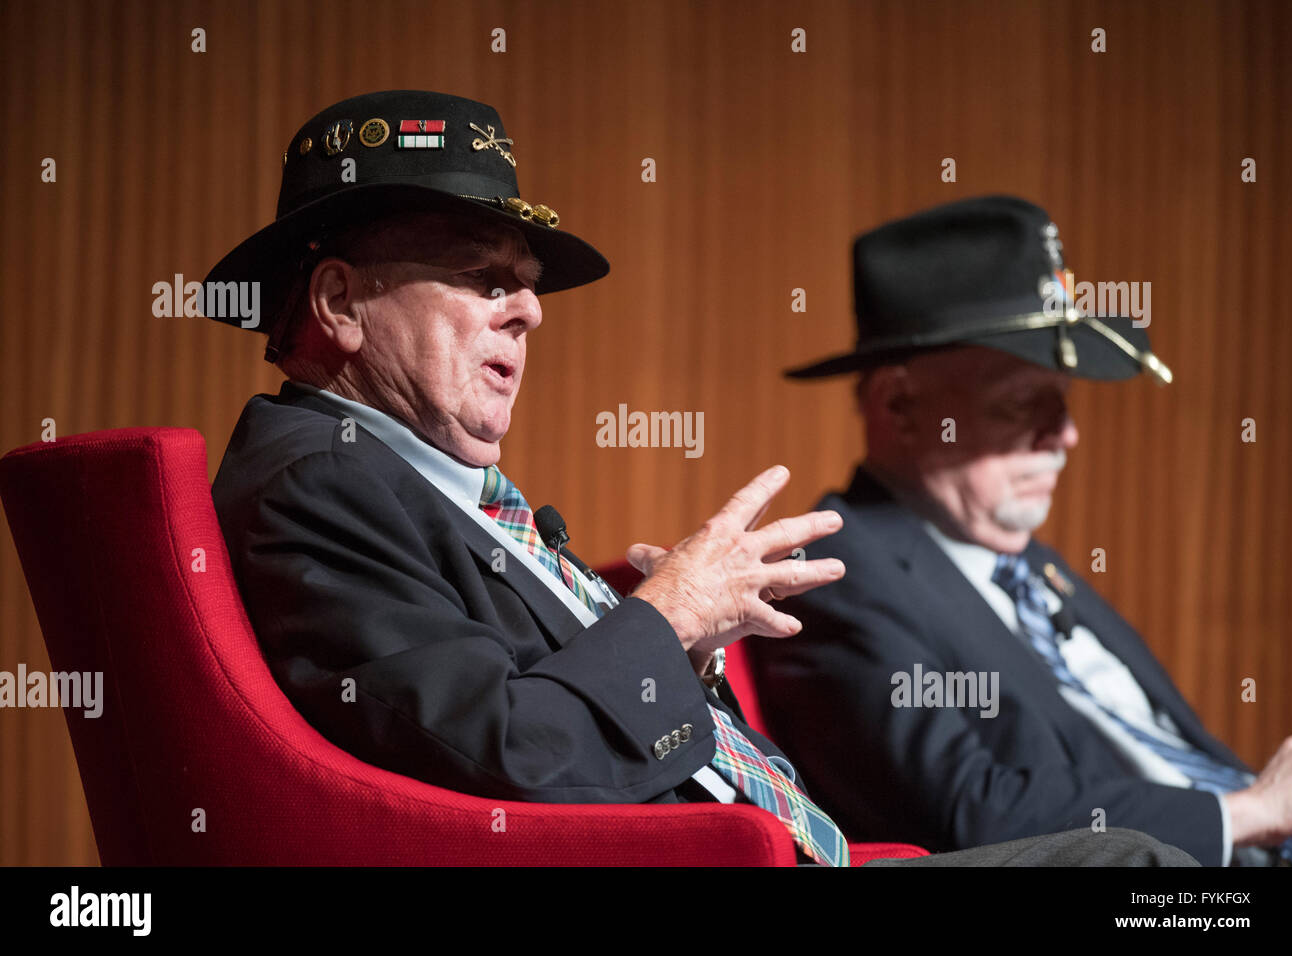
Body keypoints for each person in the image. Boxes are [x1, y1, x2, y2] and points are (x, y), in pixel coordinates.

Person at [204, 94, 1192, 866]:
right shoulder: (320, 486)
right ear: (339, 301)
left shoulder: (410, 480)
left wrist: (687, 642)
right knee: (1144, 873)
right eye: (483, 277)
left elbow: (537, 716)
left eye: (528, 287)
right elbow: (508, 758)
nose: (528, 313)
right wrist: (662, 620)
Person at [750, 194, 1292, 867]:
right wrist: (1250, 814)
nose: (1066, 435)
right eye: (1020, 404)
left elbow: (1176, 753)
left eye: (1062, 402)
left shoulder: (1030, 568)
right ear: (899, 404)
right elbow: (971, 811)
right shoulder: (837, 573)